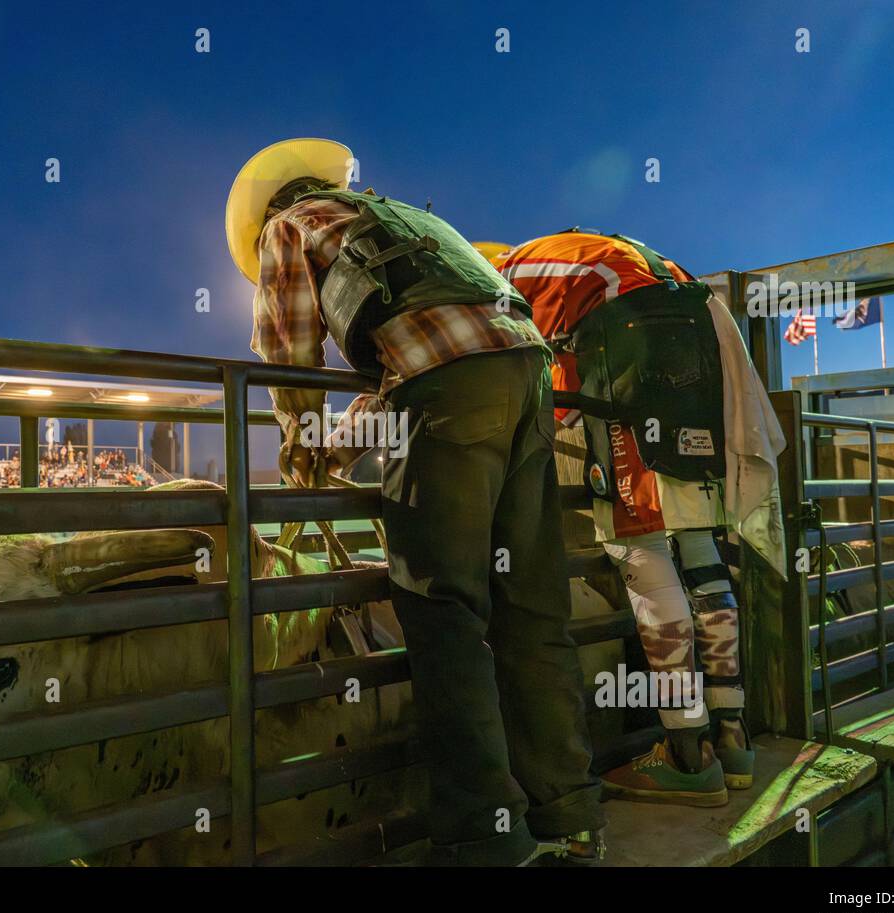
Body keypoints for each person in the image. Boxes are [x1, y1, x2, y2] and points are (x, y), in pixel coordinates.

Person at [226, 139, 604, 865]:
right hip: (524, 376)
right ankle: (571, 812)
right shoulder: (409, 223)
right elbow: (418, 360)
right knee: (530, 605)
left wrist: (301, 444)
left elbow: (287, 350)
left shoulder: (290, 226)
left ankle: (483, 836)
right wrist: (336, 447)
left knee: (443, 610)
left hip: (448, 396)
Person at [484, 230, 786, 807]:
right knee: (699, 548)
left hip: (635, 355)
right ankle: (733, 735)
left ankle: (686, 754)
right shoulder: (585, 252)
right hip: (698, 356)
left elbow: (537, 376)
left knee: (640, 549)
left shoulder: (508, 278)